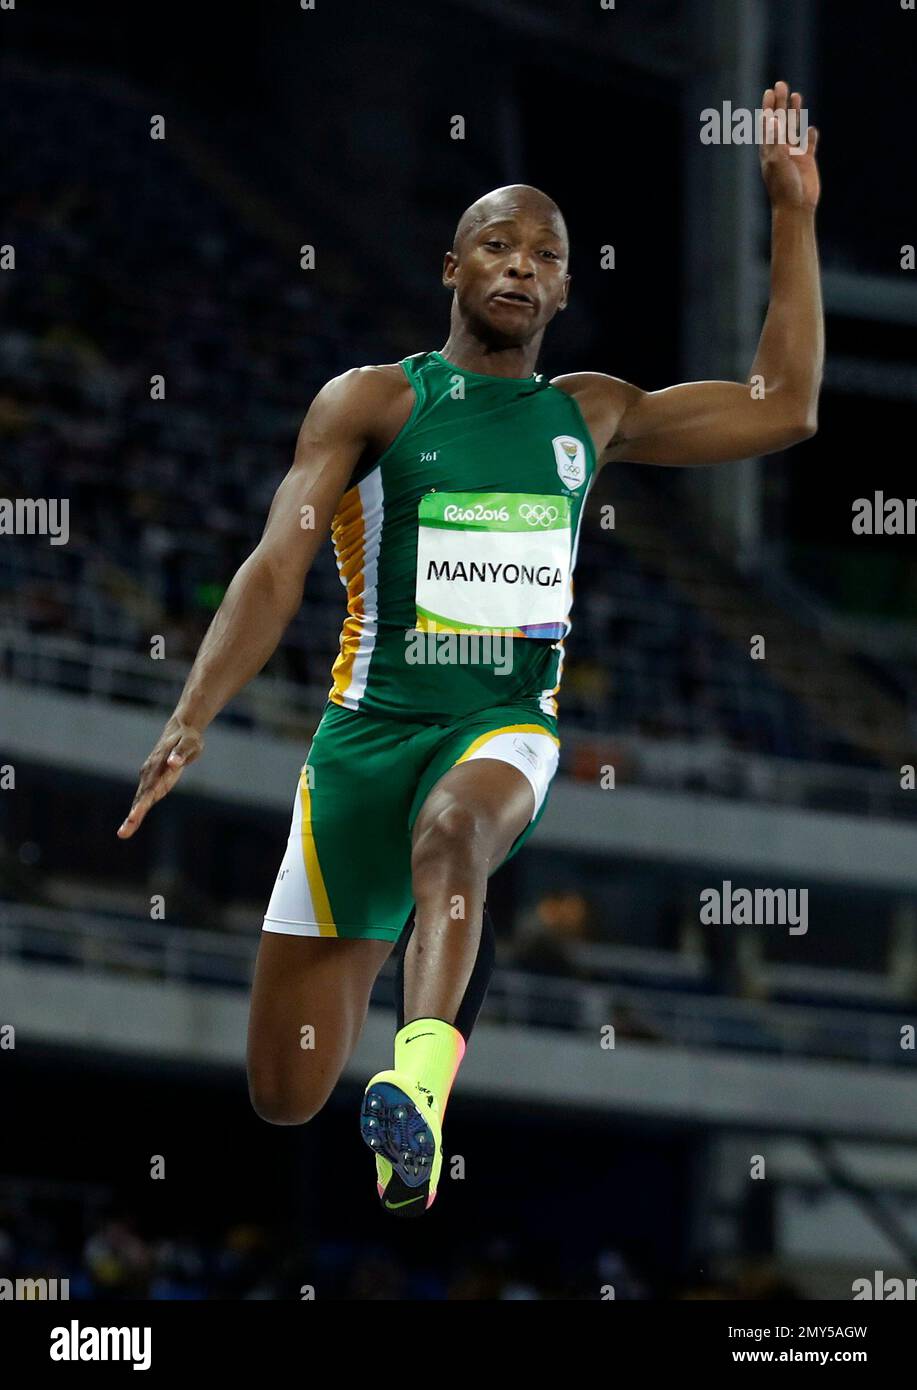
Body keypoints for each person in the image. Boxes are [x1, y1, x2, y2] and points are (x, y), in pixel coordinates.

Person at [118, 82, 822, 1217]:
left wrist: (789, 216)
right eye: (494, 245)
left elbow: (782, 405)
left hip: (499, 729)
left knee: (459, 831)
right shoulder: (371, 403)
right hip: (362, 740)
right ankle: (411, 991)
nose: (518, 267)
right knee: (286, 1089)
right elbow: (273, 565)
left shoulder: (590, 413)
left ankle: (420, 1093)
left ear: (561, 288)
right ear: (452, 269)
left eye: (543, 255)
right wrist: (193, 709)